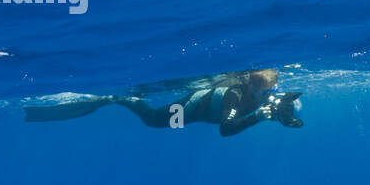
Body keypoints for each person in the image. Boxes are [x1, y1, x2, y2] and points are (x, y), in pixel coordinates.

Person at [24, 69, 302, 136]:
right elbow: (225, 129)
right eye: (265, 92)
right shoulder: (235, 95)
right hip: (192, 108)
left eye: (273, 91)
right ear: (251, 86)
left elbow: (278, 106)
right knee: (153, 121)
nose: (270, 96)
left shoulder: (263, 93)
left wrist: (284, 112)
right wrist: (258, 117)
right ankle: (119, 98)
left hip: (207, 111)